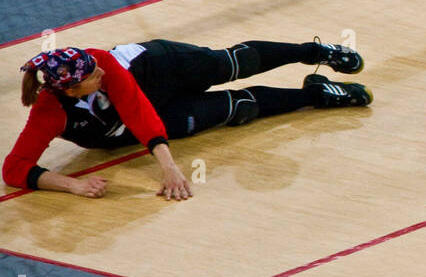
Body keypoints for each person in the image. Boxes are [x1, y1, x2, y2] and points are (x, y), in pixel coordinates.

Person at [4, 39, 372, 199]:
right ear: (70, 90)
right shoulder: (49, 112)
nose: (98, 69)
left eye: (95, 65)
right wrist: (71, 185)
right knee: (237, 109)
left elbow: (137, 110)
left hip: (159, 68)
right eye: (90, 74)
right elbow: (14, 169)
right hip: (129, 128)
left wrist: (169, 167)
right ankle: (317, 95)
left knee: (230, 64)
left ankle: (315, 52)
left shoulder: (101, 60)